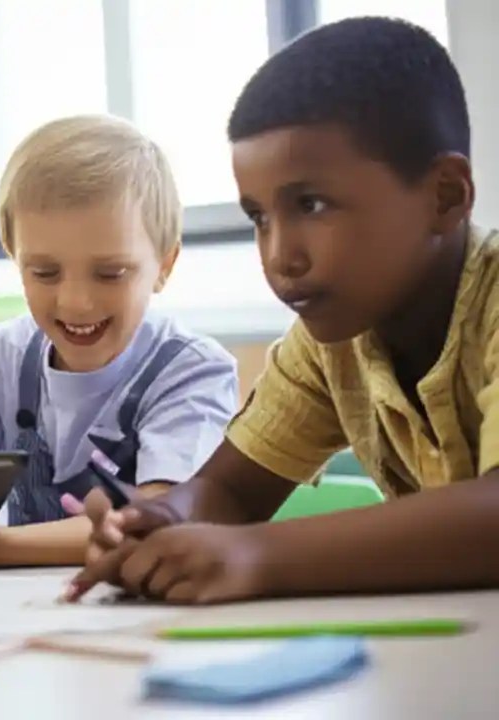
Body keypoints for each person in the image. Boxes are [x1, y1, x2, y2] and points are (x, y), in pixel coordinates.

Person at [70, 16, 499, 605]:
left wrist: (258, 554)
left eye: (313, 204)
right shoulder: (331, 342)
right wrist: (160, 520)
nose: (279, 256)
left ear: (444, 195)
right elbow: (230, 492)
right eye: (259, 217)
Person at [0, 116, 238, 567]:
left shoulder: (191, 372)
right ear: (12, 252)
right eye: (44, 273)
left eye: (111, 273)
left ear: (165, 264)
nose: (76, 302)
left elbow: (160, 521)